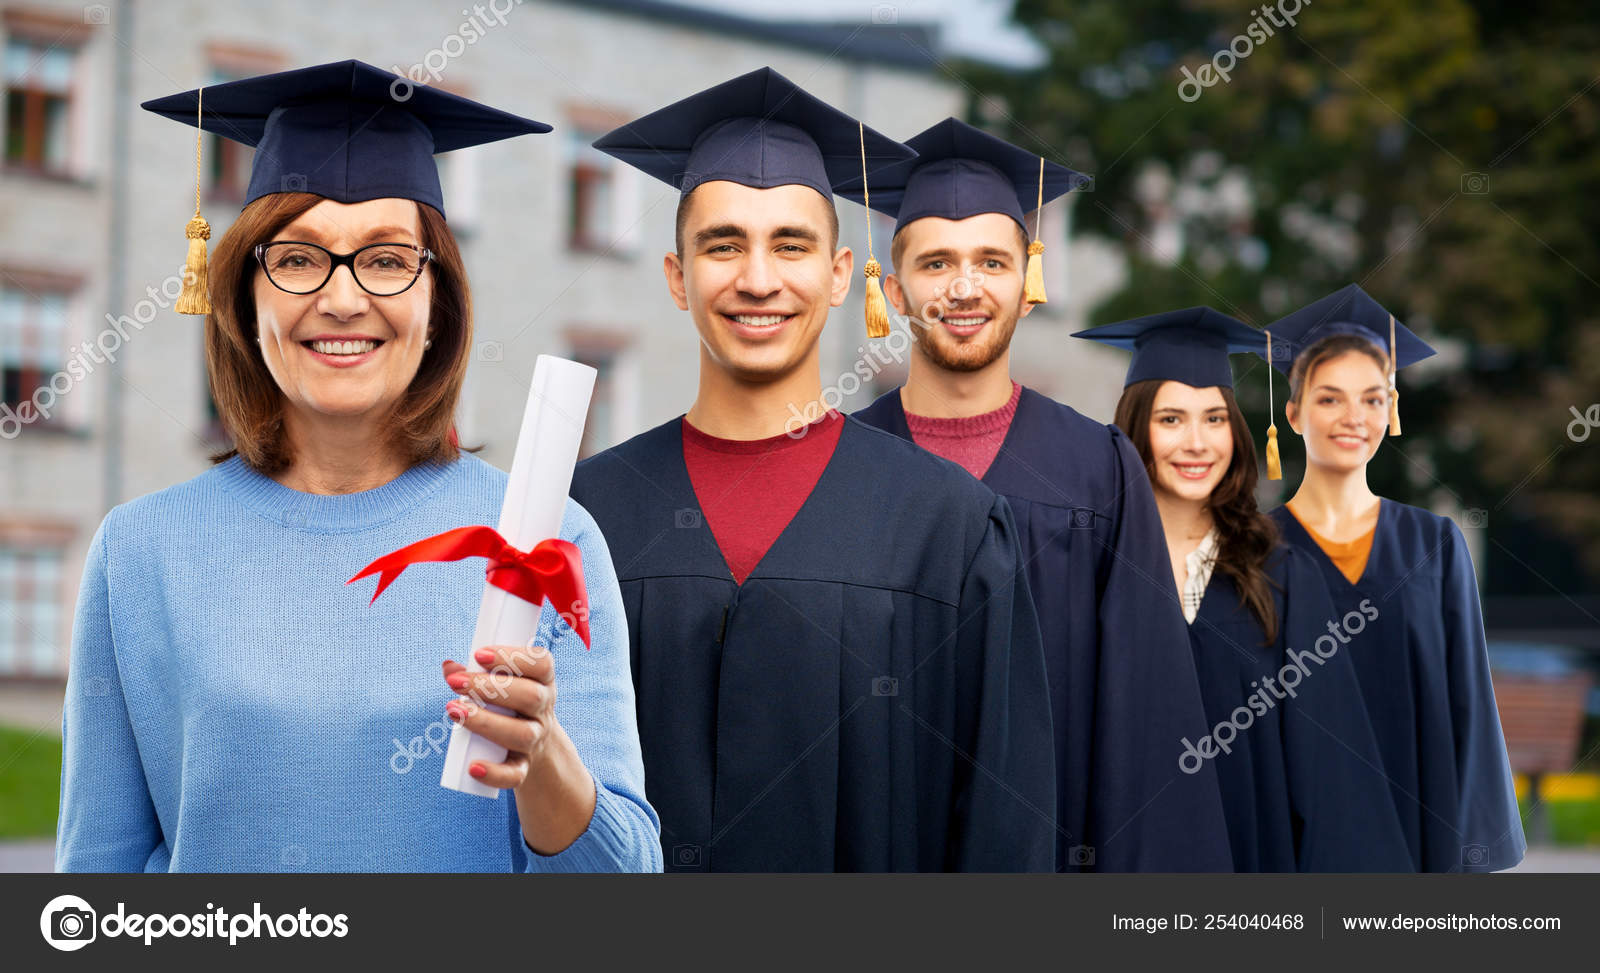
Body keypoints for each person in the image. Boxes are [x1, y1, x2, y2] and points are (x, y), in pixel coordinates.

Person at [56, 60, 660, 872]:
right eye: (299, 259)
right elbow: (95, 883)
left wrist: (542, 754)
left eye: (385, 259)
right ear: (244, 294)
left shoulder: (546, 540)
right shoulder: (139, 552)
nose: (342, 300)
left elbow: (626, 886)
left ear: (435, 299)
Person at [568, 69, 1055, 872]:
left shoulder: (949, 525)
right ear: (676, 277)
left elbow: (1006, 826)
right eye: (723, 244)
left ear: (837, 276)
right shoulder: (589, 512)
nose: (758, 278)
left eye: (790, 245)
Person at [849, 119, 1230, 871]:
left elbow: (1146, 719)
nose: (964, 287)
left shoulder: (1098, 470)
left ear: (1027, 282)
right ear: (893, 291)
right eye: (936, 264)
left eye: (992, 261)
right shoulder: (840, 467)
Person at [1077, 307, 1411, 870]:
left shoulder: (1281, 574)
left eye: (1214, 419)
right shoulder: (1091, 570)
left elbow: (1332, 768)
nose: (1196, 443)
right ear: (1136, 429)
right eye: (1171, 420)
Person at [1256, 283, 1525, 872]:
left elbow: (1469, 701)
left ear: (1391, 410)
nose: (1354, 417)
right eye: (1330, 399)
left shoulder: (1433, 544)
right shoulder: (1250, 551)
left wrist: (1474, 848)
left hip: (1420, 834)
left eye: (1373, 399)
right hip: (1295, 850)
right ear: (1294, 412)